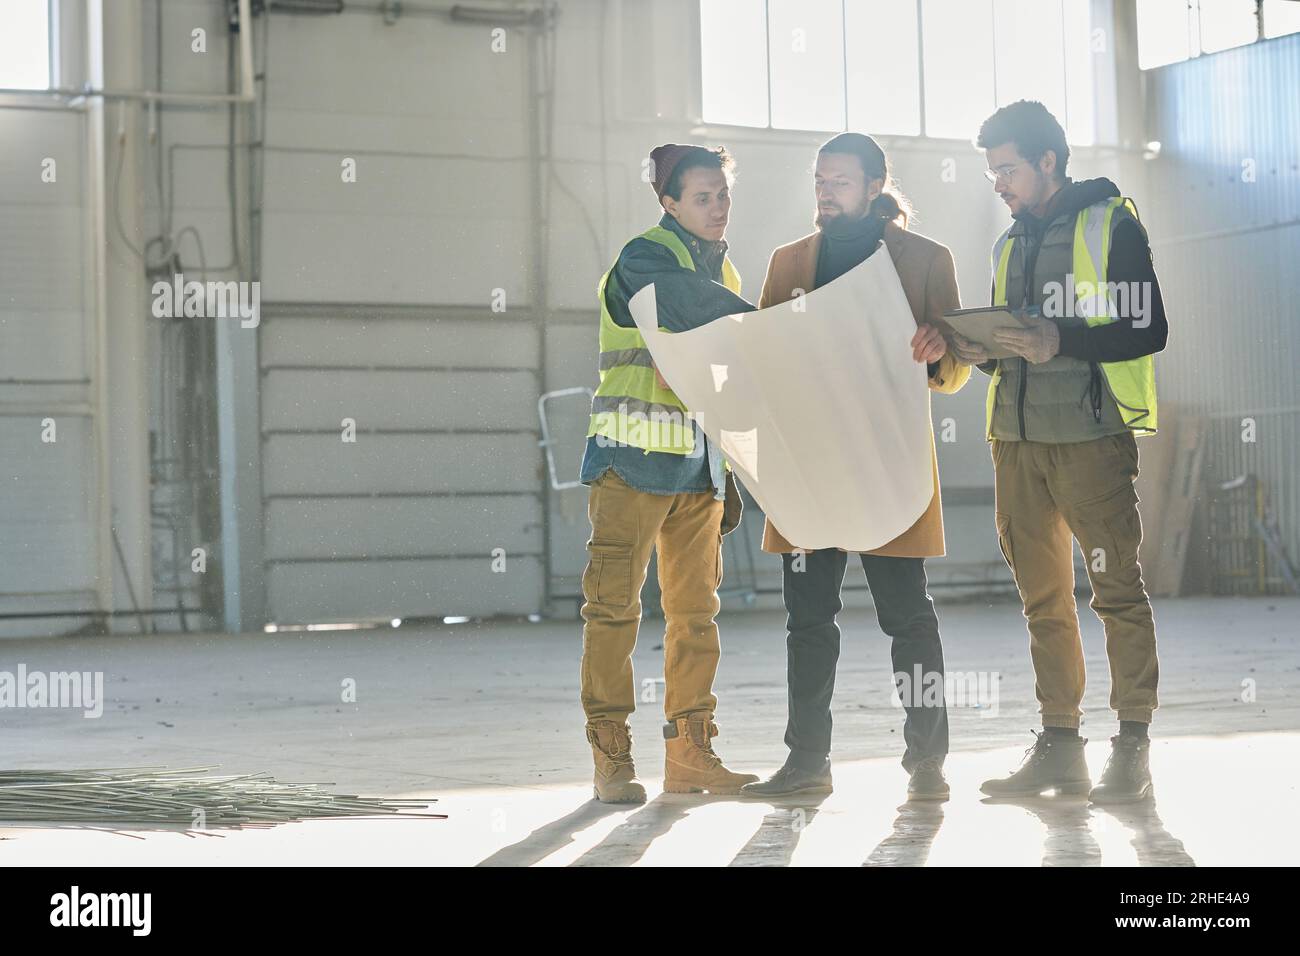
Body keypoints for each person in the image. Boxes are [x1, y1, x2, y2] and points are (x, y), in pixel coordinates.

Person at [740, 133, 970, 803]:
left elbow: (955, 366)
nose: (825, 191)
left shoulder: (927, 260)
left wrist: (936, 351)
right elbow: (763, 355)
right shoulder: (788, 262)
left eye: (839, 181)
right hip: (810, 469)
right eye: (819, 180)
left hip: (885, 465)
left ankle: (928, 764)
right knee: (807, 621)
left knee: (907, 619)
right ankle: (806, 762)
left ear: (874, 187)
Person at [953, 100, 1168, 803]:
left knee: (1117, 595)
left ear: (1048, 160)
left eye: (1008, 168)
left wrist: (1062, 340)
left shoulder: (1111, 224)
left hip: (1090, 444)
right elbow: (1014, 351)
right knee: (1042, 602)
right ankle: (1060, 746)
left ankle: (1131, 748)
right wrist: (968, 347)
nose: (998, 183)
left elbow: (1148, 327)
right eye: (992, 171)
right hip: (1016, 447)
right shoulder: (1008, 242)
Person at [578, 144, 758, 802]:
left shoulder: (724, 272)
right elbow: (689, 309)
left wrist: (731, 468)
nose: (716, 207)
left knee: (695, 617)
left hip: (695, 471)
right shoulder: (645, 258)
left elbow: (721, 376)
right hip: (629, 462)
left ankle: (690, 751)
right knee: (613, 612)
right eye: (702, 197)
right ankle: (611, 753)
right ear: (670, 203)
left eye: (723, 195)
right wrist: (776, 327)